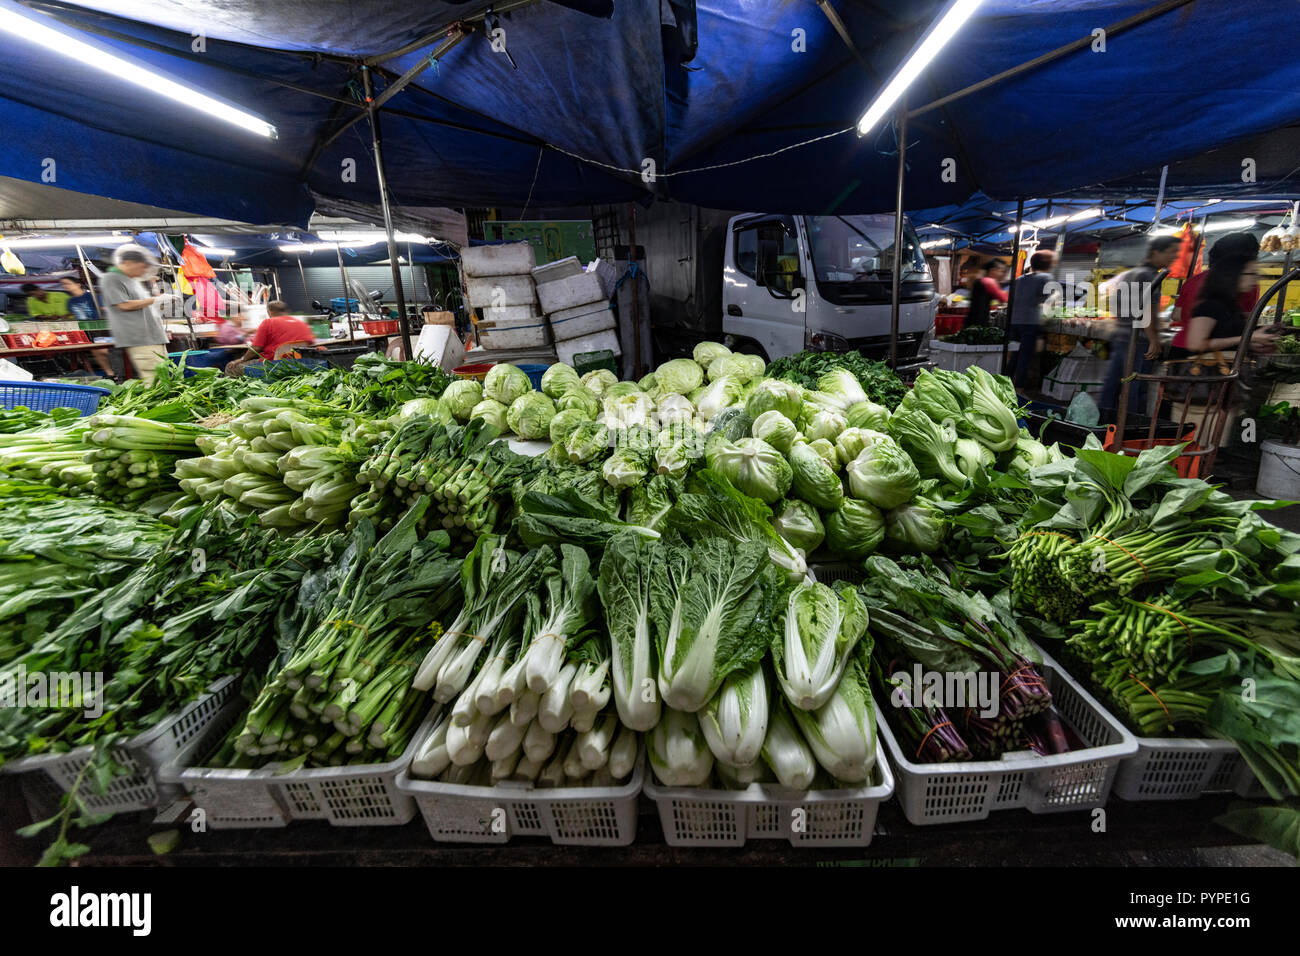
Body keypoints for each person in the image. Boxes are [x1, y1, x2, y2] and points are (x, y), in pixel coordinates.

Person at [1097, 236, 1181, 422]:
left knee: (1113, 384)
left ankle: (1102, 422)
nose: (1175, 257)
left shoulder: (1130, 274)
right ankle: (1132, 426)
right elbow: (1148, 312)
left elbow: (1117, 306)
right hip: (1138, 340)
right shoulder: (1151, 276)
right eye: (1172, 252)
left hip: (1122, 336)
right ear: (1155, 252)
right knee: (1135, 387)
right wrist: (1154, 339)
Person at [98, 245, 171, 383]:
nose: (144, 271)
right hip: (141, 339)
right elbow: (123, 305)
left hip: (154, 338)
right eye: (142, 267)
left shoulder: (132, 281)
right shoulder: (111, 279)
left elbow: (143, 306)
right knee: (154, 381)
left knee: (164, 379)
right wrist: (155, 299)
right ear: (128, 263)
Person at [1173, 232, 1260, 329]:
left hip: (1184, 340)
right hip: (1221, 341)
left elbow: (1176, 315)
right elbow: (1248, 321)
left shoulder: (1192, 281)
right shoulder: (1245, 281)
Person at [1008, 250, 1057, 389]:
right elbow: (1049, 303)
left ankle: (1003, 385)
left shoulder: (1020, 279)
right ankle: (1019, 389)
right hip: (1030, 323)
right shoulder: (1046, 278)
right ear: (1048, 264)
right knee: (1025, 357)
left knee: (1015, 356)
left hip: (1015, 321)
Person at [225, 301, 316, 375]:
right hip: (299, 363)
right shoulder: (302, 324)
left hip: (273, 365)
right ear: (286, 311)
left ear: (269, 312)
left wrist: (241, 360)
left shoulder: (268, 322)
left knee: (231, 368)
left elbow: (256, 348)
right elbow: (311, 344)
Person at [58, 276, 115, 379]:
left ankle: (117, 372)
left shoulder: (92, 296)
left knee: (104, 351)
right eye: (63, 284)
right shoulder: (70, 301)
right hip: (86, 329)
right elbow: (73, 314)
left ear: (78, 284)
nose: (65, 286)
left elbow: (104, 308)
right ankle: (110, 374)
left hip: (100, 327)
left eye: (68, 283)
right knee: (96, 352)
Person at [965, 258, 1008, 327]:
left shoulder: (981, 280)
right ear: (993, 270)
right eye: (1001, 271)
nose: (1003, 274)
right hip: (979, 321)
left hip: (972, 319)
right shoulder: (989, 281)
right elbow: (1004, 298)